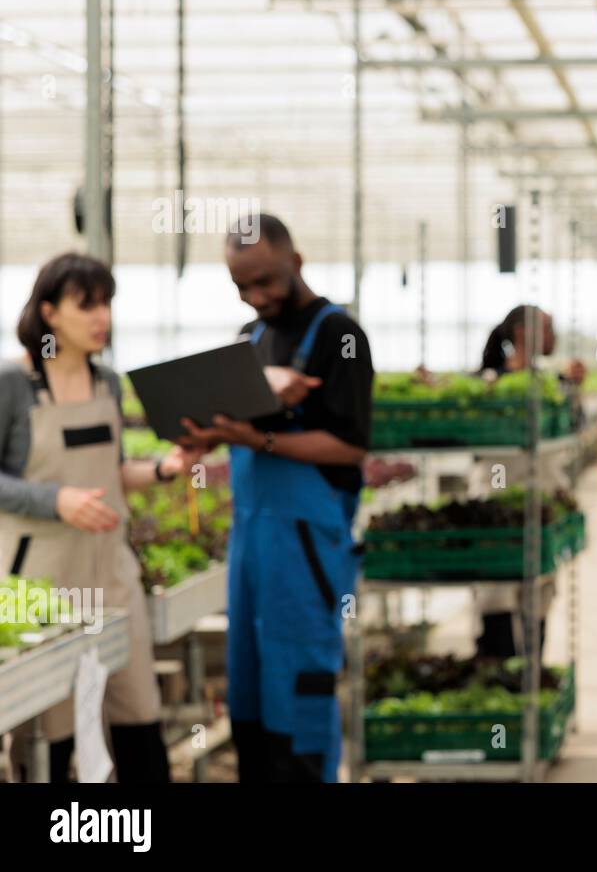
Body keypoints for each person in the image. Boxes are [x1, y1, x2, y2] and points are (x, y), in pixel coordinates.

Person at [178, 214, 373, 782]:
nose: (255, 296)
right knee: (250, 688)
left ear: (297, 262)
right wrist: (207, 432)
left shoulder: (340, 336)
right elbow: (234, 425)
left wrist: (259, 438)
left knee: (300, 684)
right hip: (252, 547)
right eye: (242, 286)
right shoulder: (249, 341)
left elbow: (350, 446)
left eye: (265, 280)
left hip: (307, 548)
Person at [0, 252, 200, 783]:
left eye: (106, 304)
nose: (101, 318)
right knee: (51, 730)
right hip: (41, 584)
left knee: (137, 714)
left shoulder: (108, 382)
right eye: (85, 305)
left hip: (110, 575)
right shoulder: (13, 386)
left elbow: (111, 472)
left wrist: (162, 469)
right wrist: (55, 500)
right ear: (48, 313)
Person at [471, 305, 584, 659]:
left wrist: (573, 391)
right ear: (523, 333)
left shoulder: (549, 384)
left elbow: (572, 429)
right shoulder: (487, 385)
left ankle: (529, 687)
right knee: (496, 597)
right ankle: (499, 687)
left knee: (538, 596)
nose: (554, 337)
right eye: (547, 328)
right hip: (496, 509)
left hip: (541, 512)